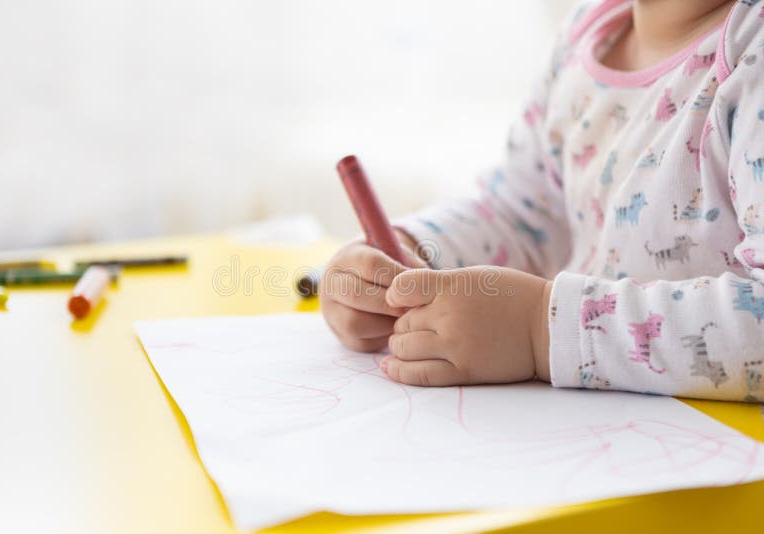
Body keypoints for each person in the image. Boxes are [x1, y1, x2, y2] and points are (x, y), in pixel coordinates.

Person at [320, 0, 764, 402]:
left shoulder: (752, 52)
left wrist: (541, 329)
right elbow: (522, 215)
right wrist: (409, 254)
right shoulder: (587, 33)